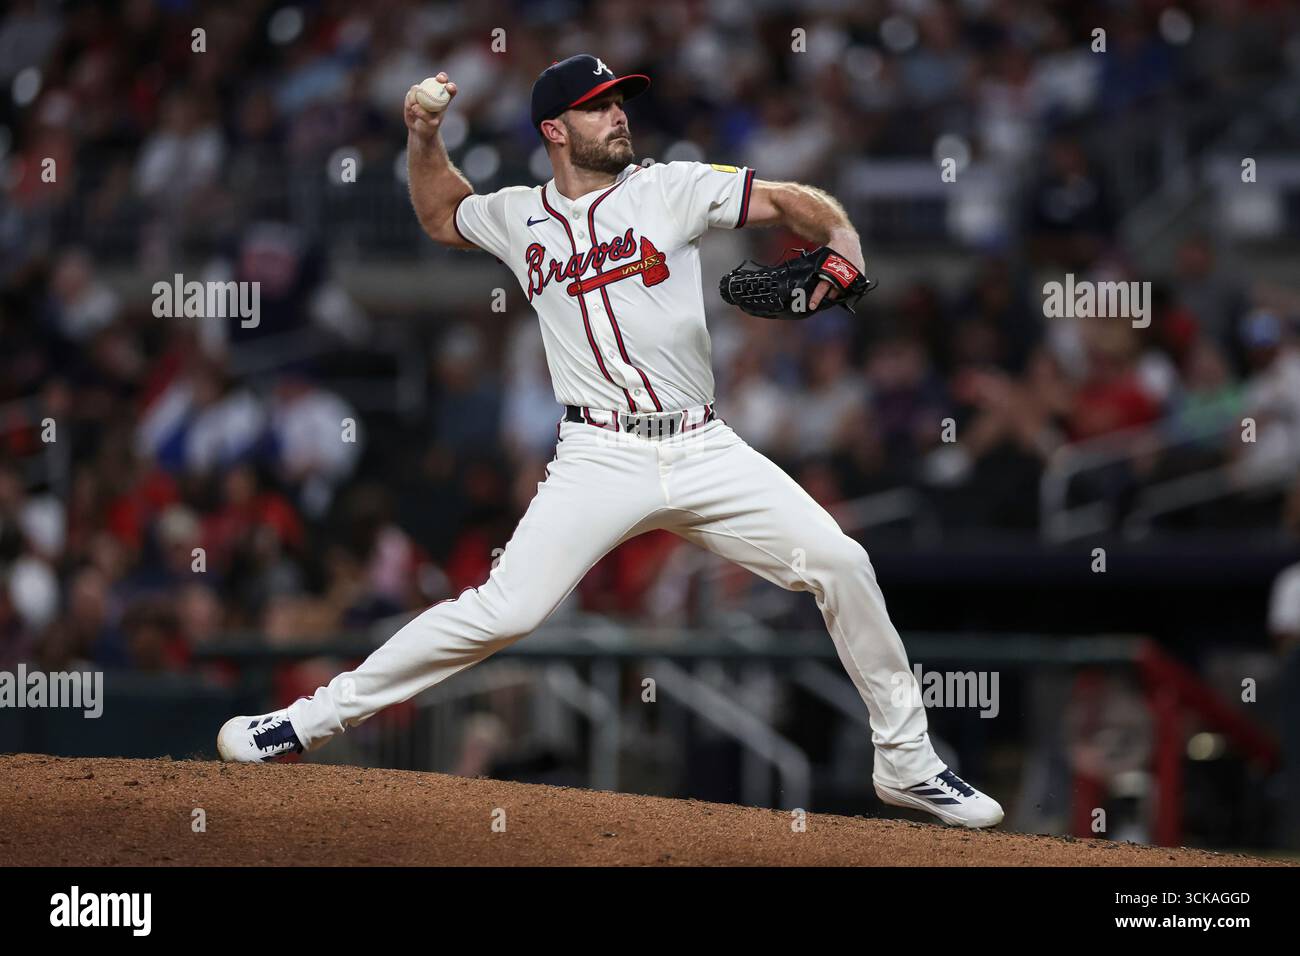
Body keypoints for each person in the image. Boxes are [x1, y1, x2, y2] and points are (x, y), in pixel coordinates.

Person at [217, 55, 1003, 828]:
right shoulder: (518, 214)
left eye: (620, 100)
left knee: (842, 562)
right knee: (503, 613)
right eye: (598, 105)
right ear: (555, 129)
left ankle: (908, 760)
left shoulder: (672, 187)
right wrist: (424, 135)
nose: (618, 113)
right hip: (599, 456)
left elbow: (789, 199)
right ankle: (303, 722)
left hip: (704, 445)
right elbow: (438, 212)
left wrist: (841, 238)